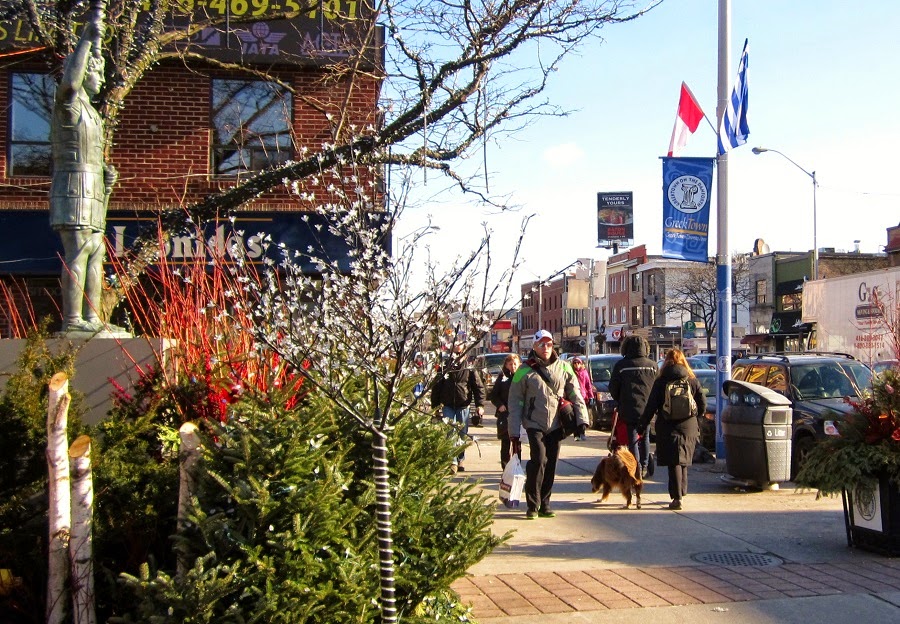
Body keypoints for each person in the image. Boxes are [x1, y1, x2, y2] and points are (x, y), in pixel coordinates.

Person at [50, 16, 120, 333]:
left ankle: (92, 318)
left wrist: (106, 180)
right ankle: (73, 319)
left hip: (92, 187)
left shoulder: (92, 112)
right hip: (72, 184)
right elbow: (70, 82)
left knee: (97, 249)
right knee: (77, 249)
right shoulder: (68, 105)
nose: (101, 78)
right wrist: (88, 39)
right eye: (97, 71)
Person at [508, 330, 588, 519]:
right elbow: (515, 401)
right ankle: (532, 505)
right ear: (534, 346)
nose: (546, 348)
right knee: (539, 460)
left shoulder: (564, 367)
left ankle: (545, 503)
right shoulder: (524, 370)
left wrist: (582, 419)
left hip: (556, 424)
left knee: (550, 463)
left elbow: (575, 393)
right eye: (542, 344)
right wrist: (513, 432)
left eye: (549, 344)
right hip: (534, 423)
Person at [639, 348, 706, 510]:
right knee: (683, 460)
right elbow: (702, 403)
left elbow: (651, 405)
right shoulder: (691, 380)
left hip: (667, 424)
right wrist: (696, 418)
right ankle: (682, 492)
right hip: (688, 425)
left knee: (673, 462)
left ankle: (676, 498)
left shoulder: (661, 381)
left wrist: (643, 424)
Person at [431, 343, 485, 474]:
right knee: (450, 434)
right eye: (455, 353)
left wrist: (480, 405)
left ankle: (461, 458)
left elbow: (478, 387)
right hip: (448, 405)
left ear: (464, 354)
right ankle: (452, 462)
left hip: (463, 405)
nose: (457, 356)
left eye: (460, 353)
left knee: (461, 433)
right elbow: (436, 388)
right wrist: (435, 407)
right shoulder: (444, 368)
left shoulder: (469, 368)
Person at [609, 335, 658, 477]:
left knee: (633, 438)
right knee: (646, 436)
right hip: (647, 408)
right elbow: (658, 386)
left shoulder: (621, 366)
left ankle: (635, 467)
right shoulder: (653, 366)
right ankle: (644, 465)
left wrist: (621, 400)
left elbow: (613, 387)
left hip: (629, 407)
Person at [488, 353, 521, 469]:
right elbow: (493, 395)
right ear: (506, 365)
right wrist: (500, 405)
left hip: (518, 413)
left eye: (515, 364)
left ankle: (517, 466)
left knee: (517, 442)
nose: (513, 366)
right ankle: (505, 467)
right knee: (506, 442)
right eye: (510, 364)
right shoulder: (502, 377)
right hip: (505, 414)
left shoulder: (522, 377)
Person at [571, 357, 594, 441]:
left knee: (583, 416)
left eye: (578, 363)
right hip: (573, 397)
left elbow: (588, 385)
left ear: (581, 364)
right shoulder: (571, 373)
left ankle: (582, 433)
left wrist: (591, 396)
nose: (577, 365)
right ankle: (576, 434)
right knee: (575, 417)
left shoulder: (584, 373)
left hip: (583, 398)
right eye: (575, 363)